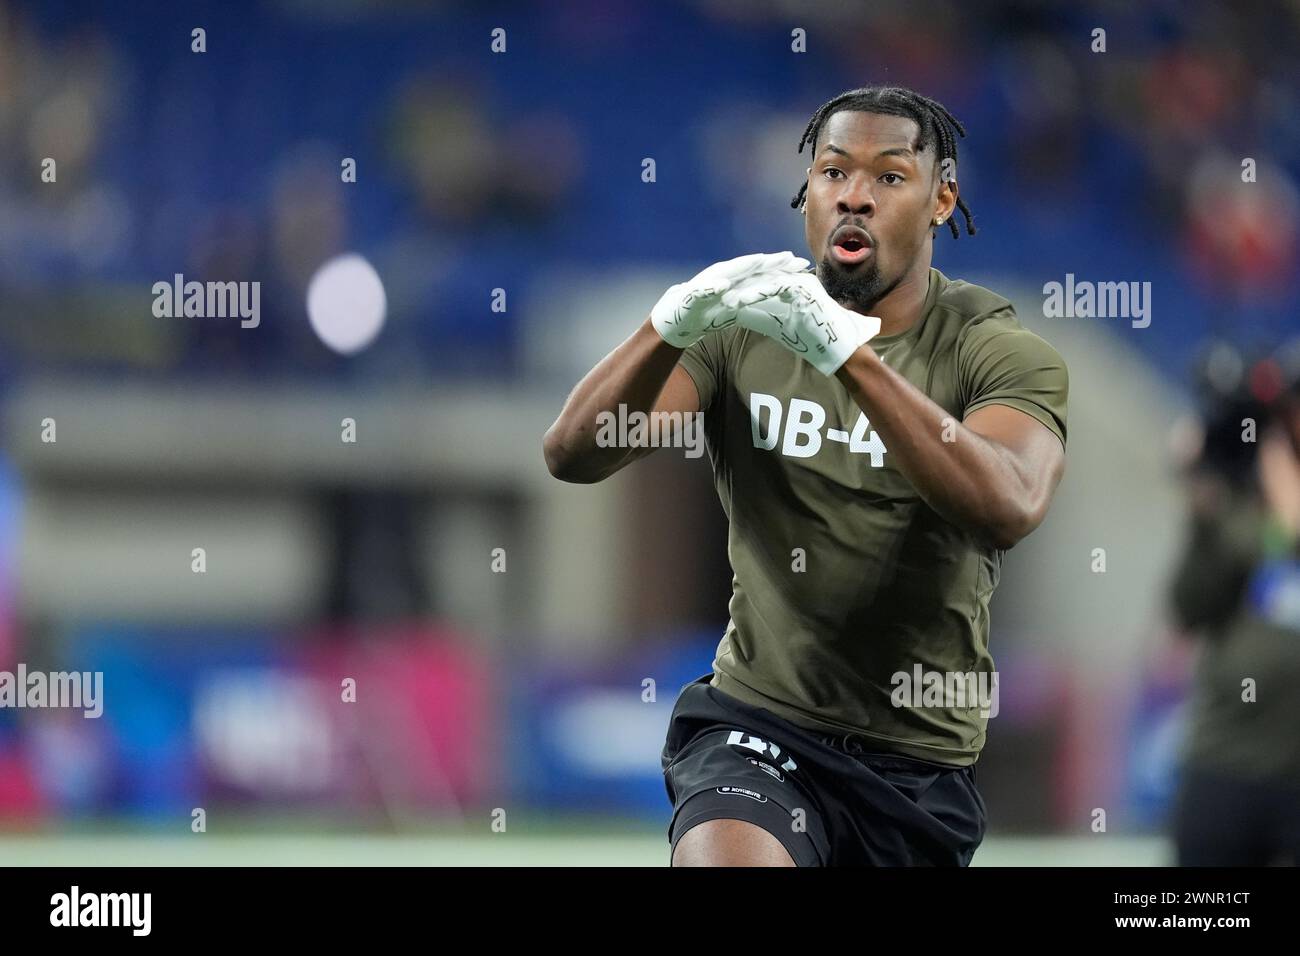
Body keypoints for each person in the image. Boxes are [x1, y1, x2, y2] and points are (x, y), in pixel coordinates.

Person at [543, 85, 1068, 866]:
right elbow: (575, 453)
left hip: (915, 765)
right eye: (832, 172)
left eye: (890, 177)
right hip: (757, 726)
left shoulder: (993, 350)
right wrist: (666, 325)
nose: (854, 195)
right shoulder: (744, 331)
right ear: (807, 191)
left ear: (940, 197)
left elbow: (1009, 502)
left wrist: (847, 359)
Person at [1169, 350, 1300, 865]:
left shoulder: (1274, 507)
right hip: (1229, 762)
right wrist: (1203, 509)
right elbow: (1188, 608)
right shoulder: (1244, 506)